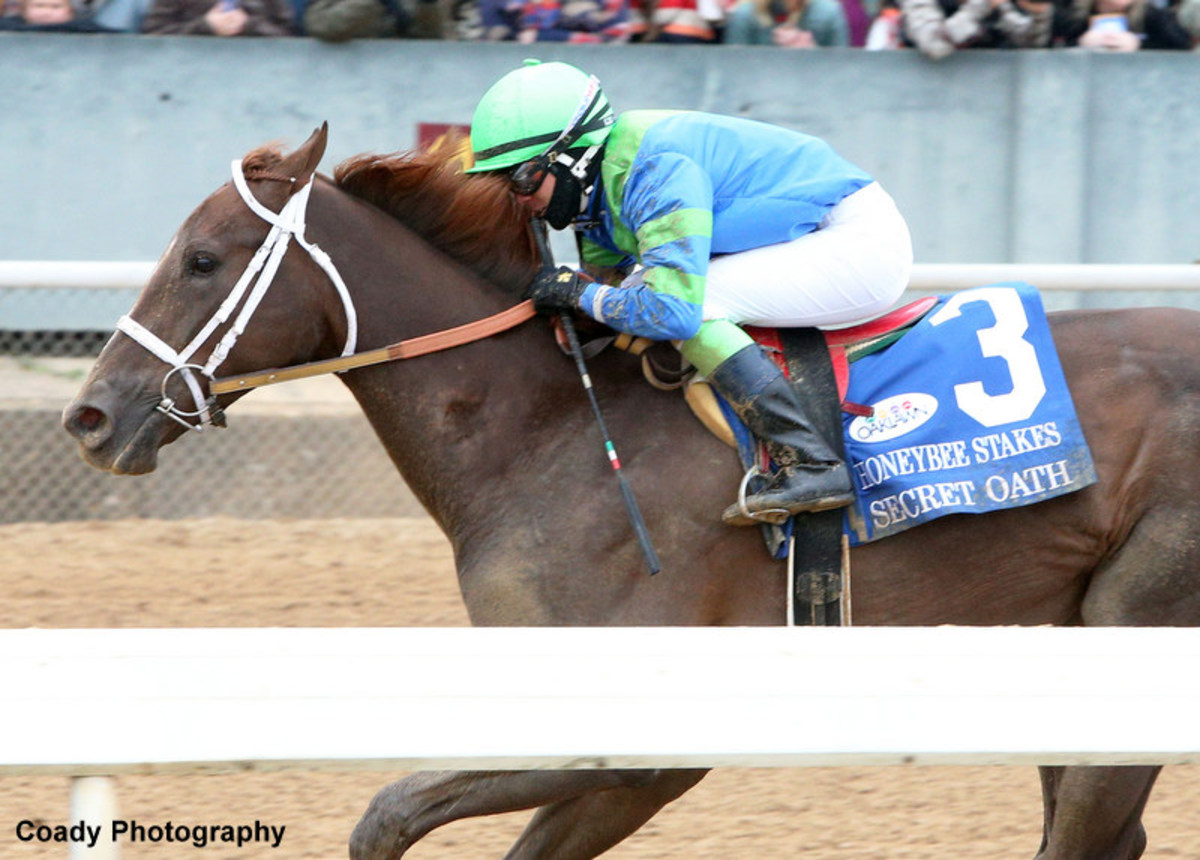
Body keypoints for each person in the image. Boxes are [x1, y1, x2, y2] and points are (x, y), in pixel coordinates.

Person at [464, 59, 913, 526]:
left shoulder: (654, 167)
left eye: (523, 180)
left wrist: (579, 294)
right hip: (805, 237)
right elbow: (608, 292)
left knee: (695, 305)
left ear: (574, 156)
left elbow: (670, 311)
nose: (518, 199)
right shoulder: (593, 193)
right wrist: (580, 302)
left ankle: (812, 464)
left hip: (856, 243)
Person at [900, 0, 1053, 59]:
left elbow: (1029, 44)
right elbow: (934, 45)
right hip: (923, 104)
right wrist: (979, 8)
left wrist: (1037, 12)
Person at [1058, 0, 1192, 48]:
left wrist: (1139, 44)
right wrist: (1080, 44)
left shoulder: (1152, 15)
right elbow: (1052, 46)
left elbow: (1181, 45)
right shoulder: (1074, 13)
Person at [722, 0, 851, 46]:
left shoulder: (828, 12)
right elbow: (735, 65)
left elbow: (843, 66)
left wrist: (812, 53)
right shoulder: (746, 14)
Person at [140, 0, 293, 34]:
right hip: (188, 70)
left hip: (257, 69)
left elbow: (288, 35)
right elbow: (154, 35)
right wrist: (205, 26)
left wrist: (250, 26)